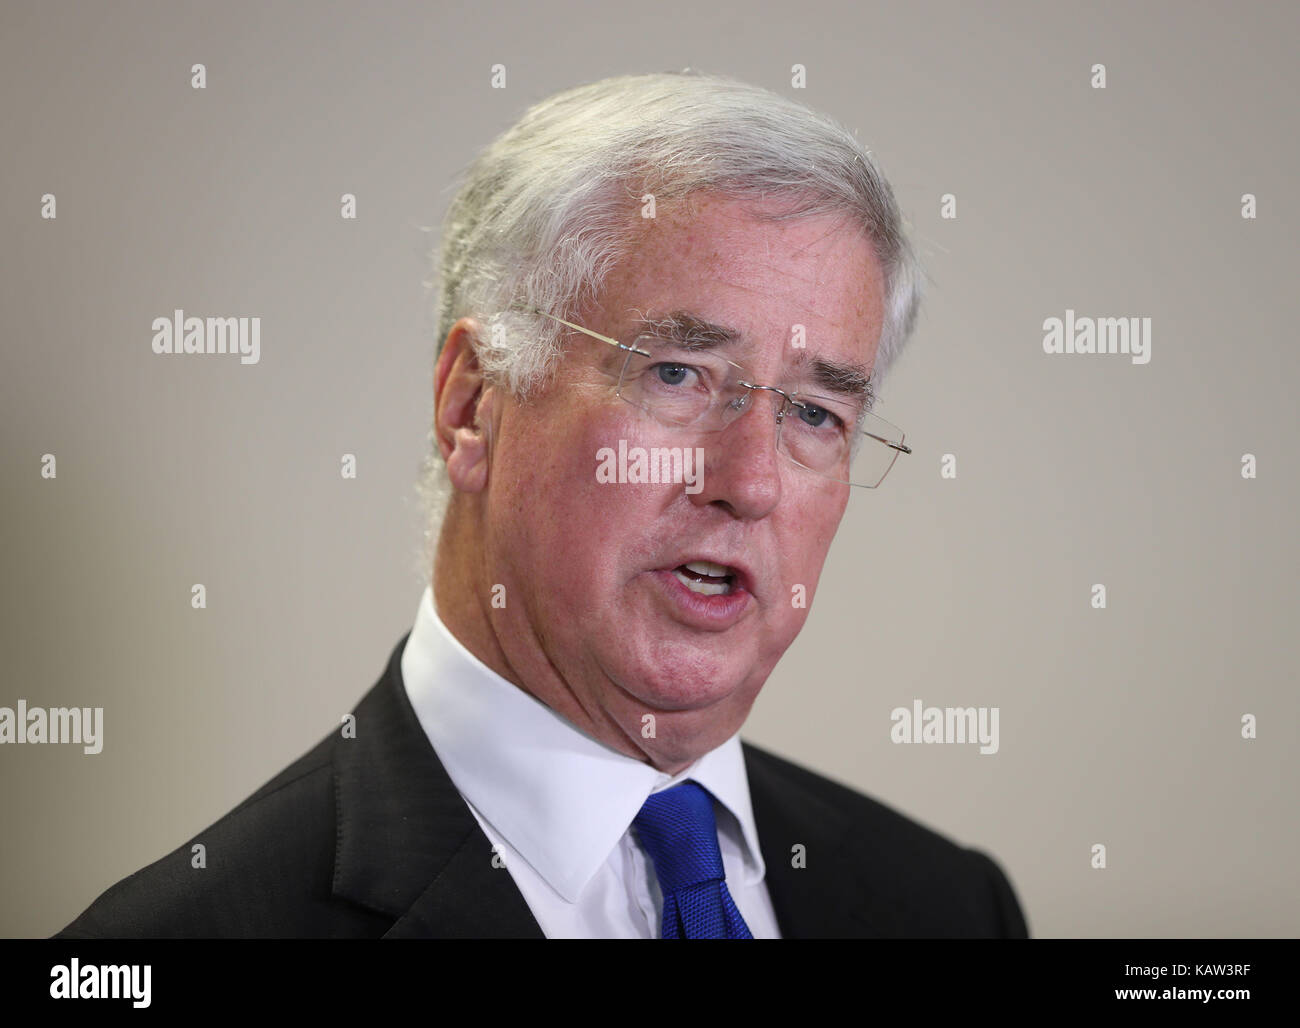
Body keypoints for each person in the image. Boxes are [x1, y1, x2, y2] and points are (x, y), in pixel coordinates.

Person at [56, 70, 1028, 939]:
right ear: (472, 400)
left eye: (815, 410)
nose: (751, 480)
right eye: (680, 374)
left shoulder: (949, 903)